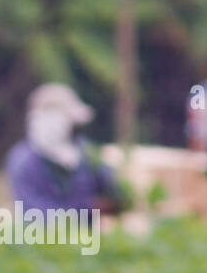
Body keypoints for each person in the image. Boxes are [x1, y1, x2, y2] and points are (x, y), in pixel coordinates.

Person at [6, 83, 123, 215]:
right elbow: (36, 214)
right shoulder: (24, 162)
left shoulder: (83, 151)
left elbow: (110, 185)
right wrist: (89, 209)